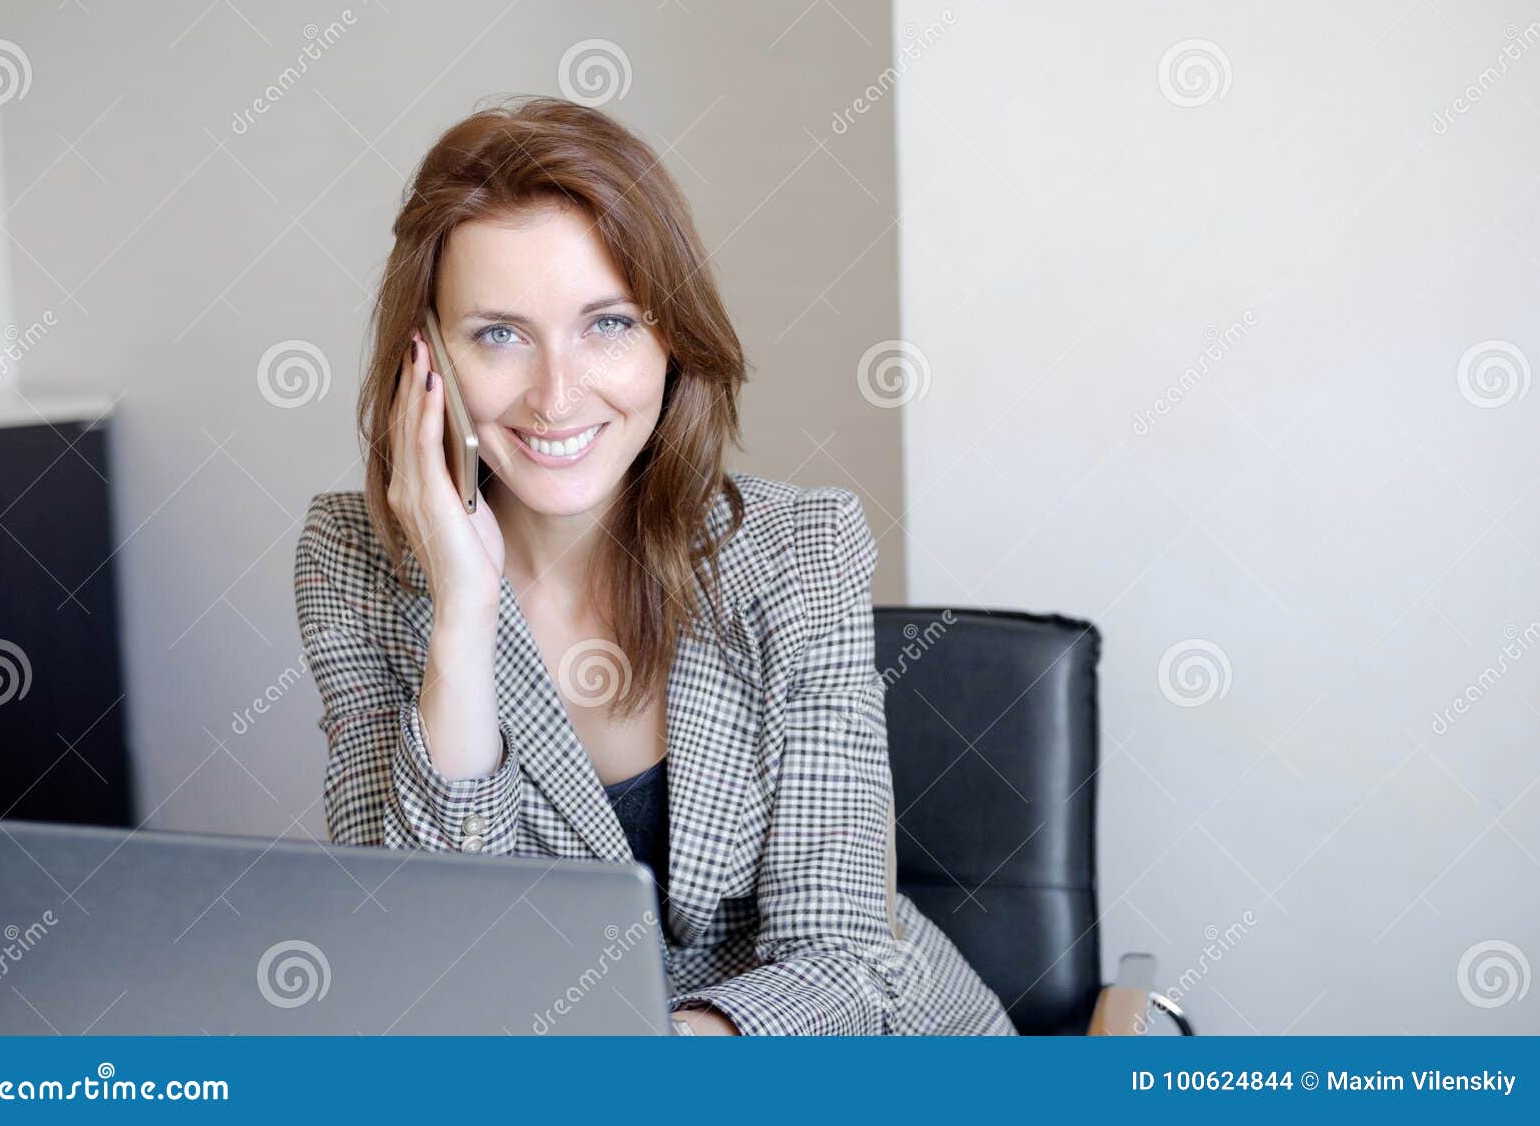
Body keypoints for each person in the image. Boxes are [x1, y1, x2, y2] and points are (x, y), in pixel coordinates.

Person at [293, 96, 1015, 1036]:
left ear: (670, 338)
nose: (557, 396)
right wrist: (461, 612)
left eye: (609, 324)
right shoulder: (352, 563)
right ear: (425, 357)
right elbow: (424, 945)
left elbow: (842, 957)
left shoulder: (804, 549)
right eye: (499, 334)